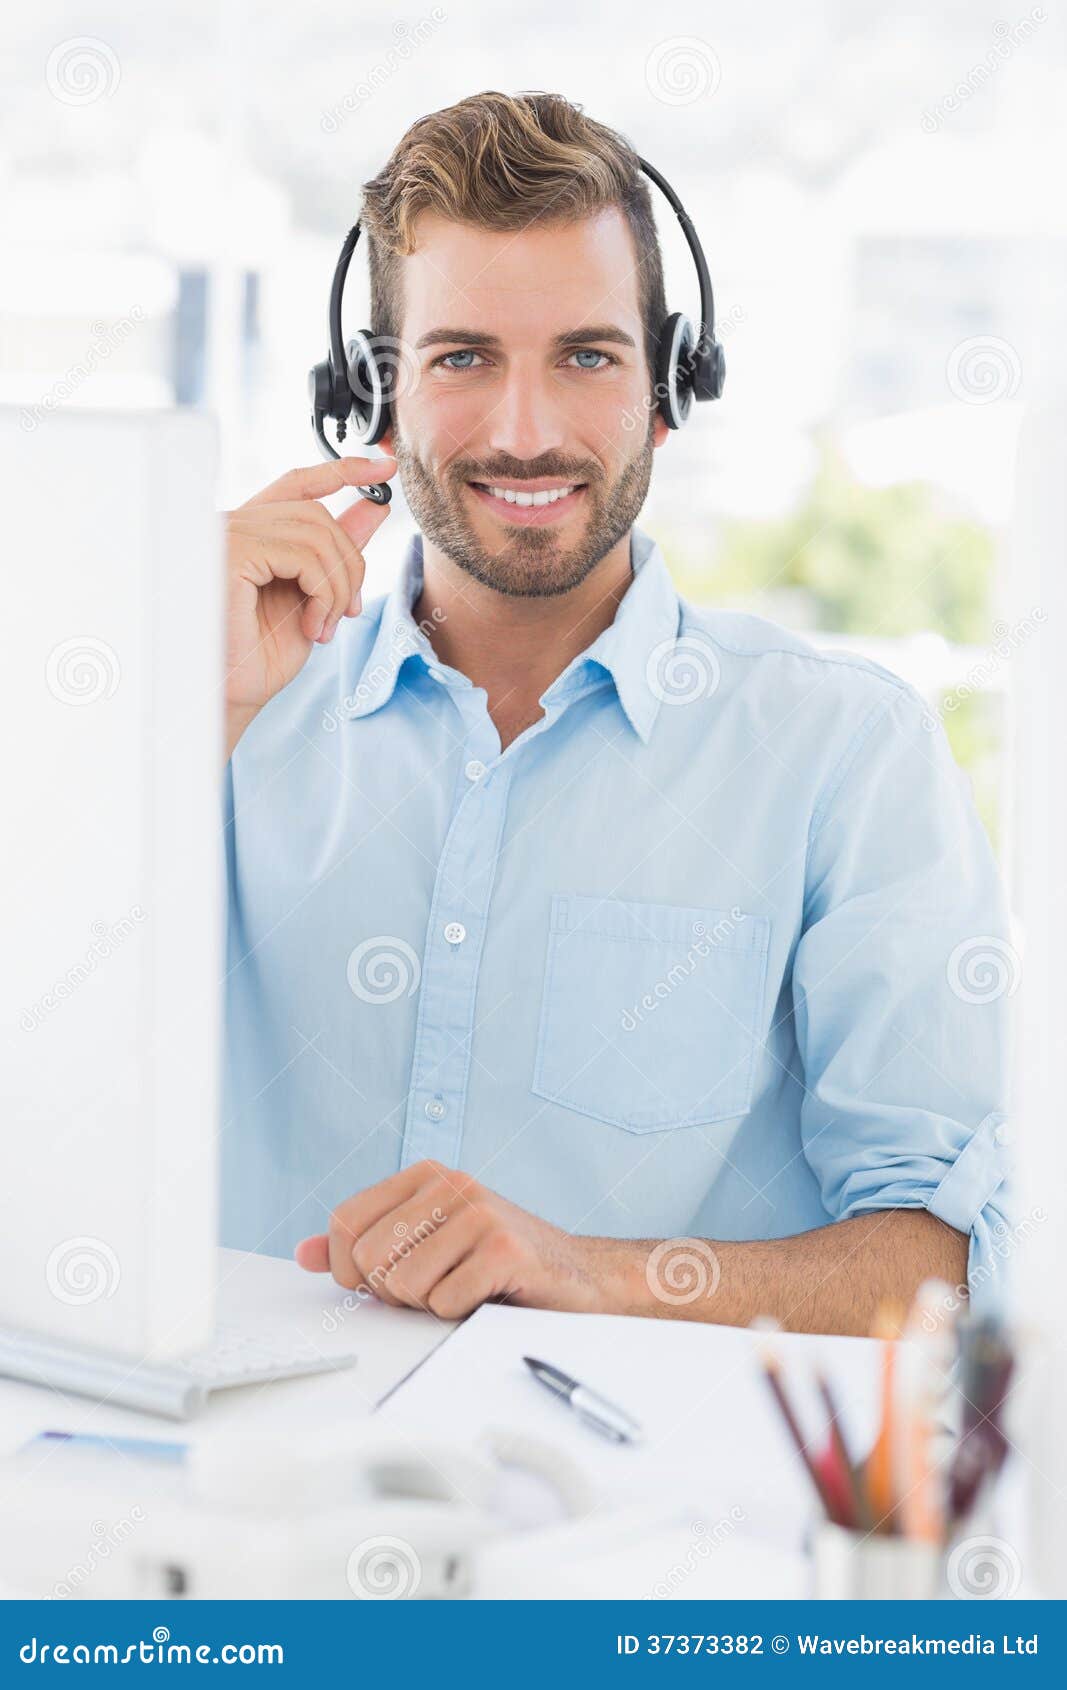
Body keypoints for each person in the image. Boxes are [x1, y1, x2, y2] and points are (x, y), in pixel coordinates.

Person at [221, 91, 1012, 1335]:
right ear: (372, 399)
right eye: (461, 357)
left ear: (667, 387)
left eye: (586, 356)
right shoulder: (229, 717)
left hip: (643, 1520)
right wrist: (178, 712)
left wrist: (580, 1270)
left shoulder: (842, 755)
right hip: (233, 1512)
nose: (525, 432)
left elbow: (948, 1267)